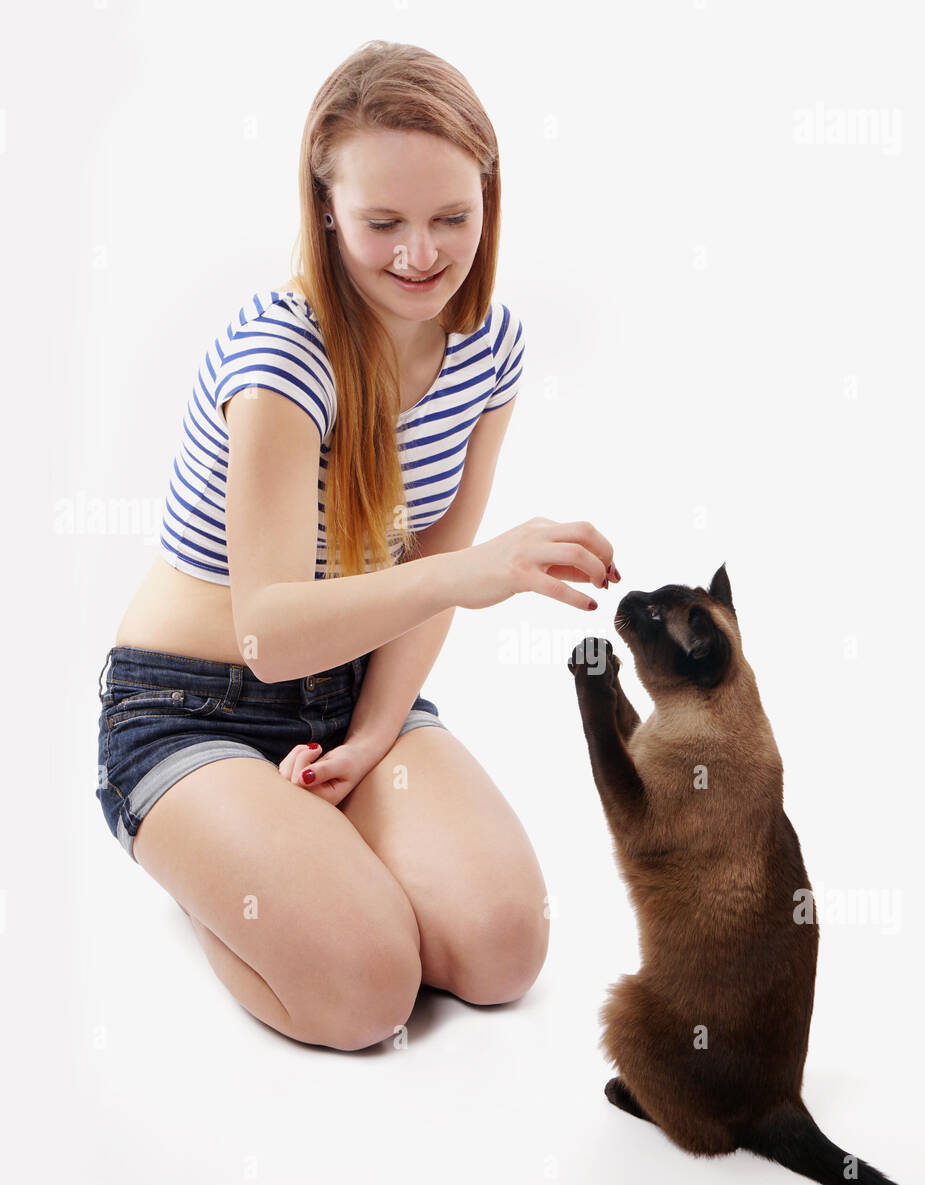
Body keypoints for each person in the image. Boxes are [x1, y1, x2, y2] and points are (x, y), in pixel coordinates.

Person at [94, 40, 619, 1052]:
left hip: (351, 693)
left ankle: (295, 853)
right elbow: (273, 634)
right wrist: (478, 573)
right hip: (187, 705)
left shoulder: (491, 345)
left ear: (488, 200)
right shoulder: (280, 360)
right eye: (383, 223)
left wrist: (373, 737)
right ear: (326, 209)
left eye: (451, 219)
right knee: (370, 991)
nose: (421, 254)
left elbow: (422, 580)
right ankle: (214, 864)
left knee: (505, 950)